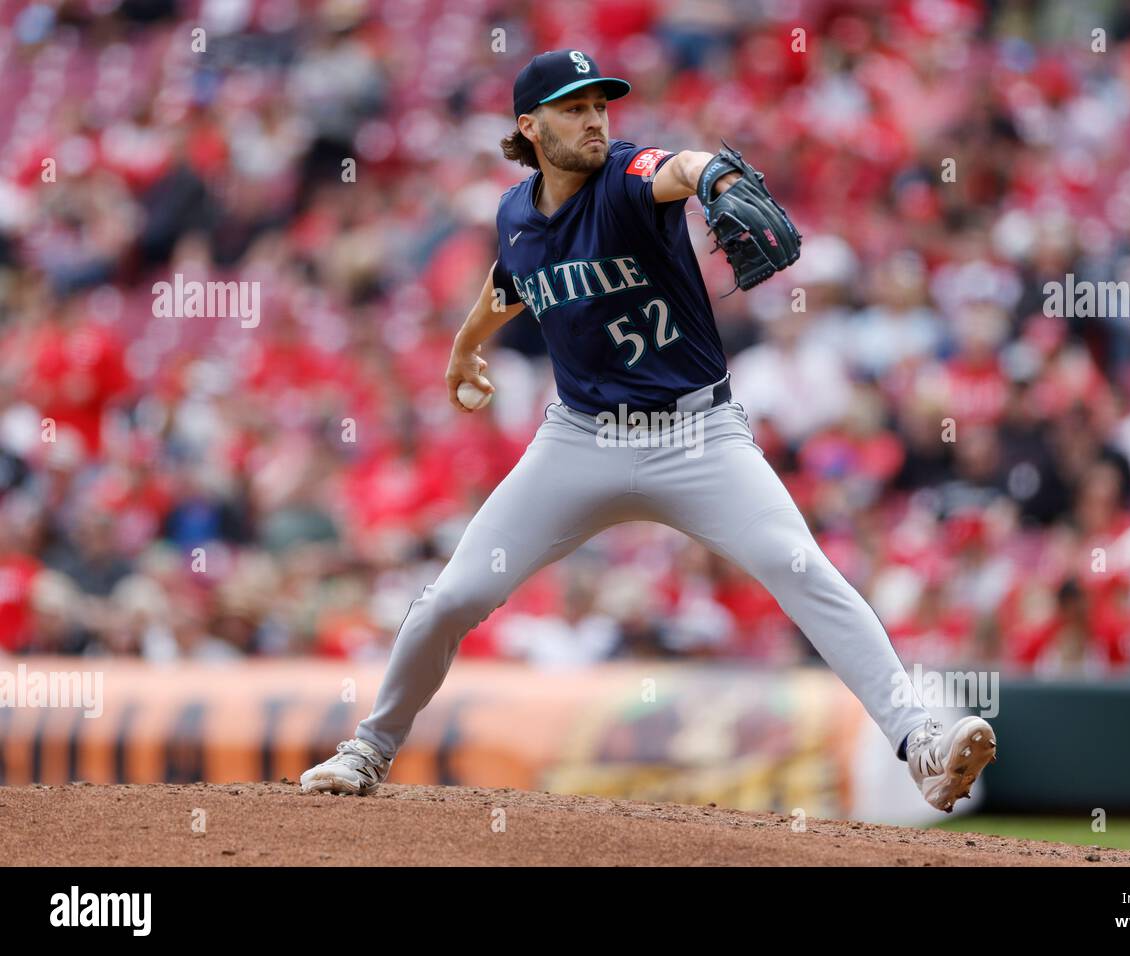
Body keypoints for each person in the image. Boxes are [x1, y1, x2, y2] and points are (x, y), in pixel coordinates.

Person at [301, 50, 996, 812]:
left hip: (698, 438)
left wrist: (719, 181)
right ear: (529, 127)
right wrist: (466, 346)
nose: (595, 118)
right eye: (573, 108)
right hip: (579, 441)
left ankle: (920, 743)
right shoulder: (514, 213)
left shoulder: (628, 180)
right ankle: (369, 748)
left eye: (600, 104)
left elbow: (684, 167)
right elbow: (512, 279)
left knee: (801, 569)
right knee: (451, 597)